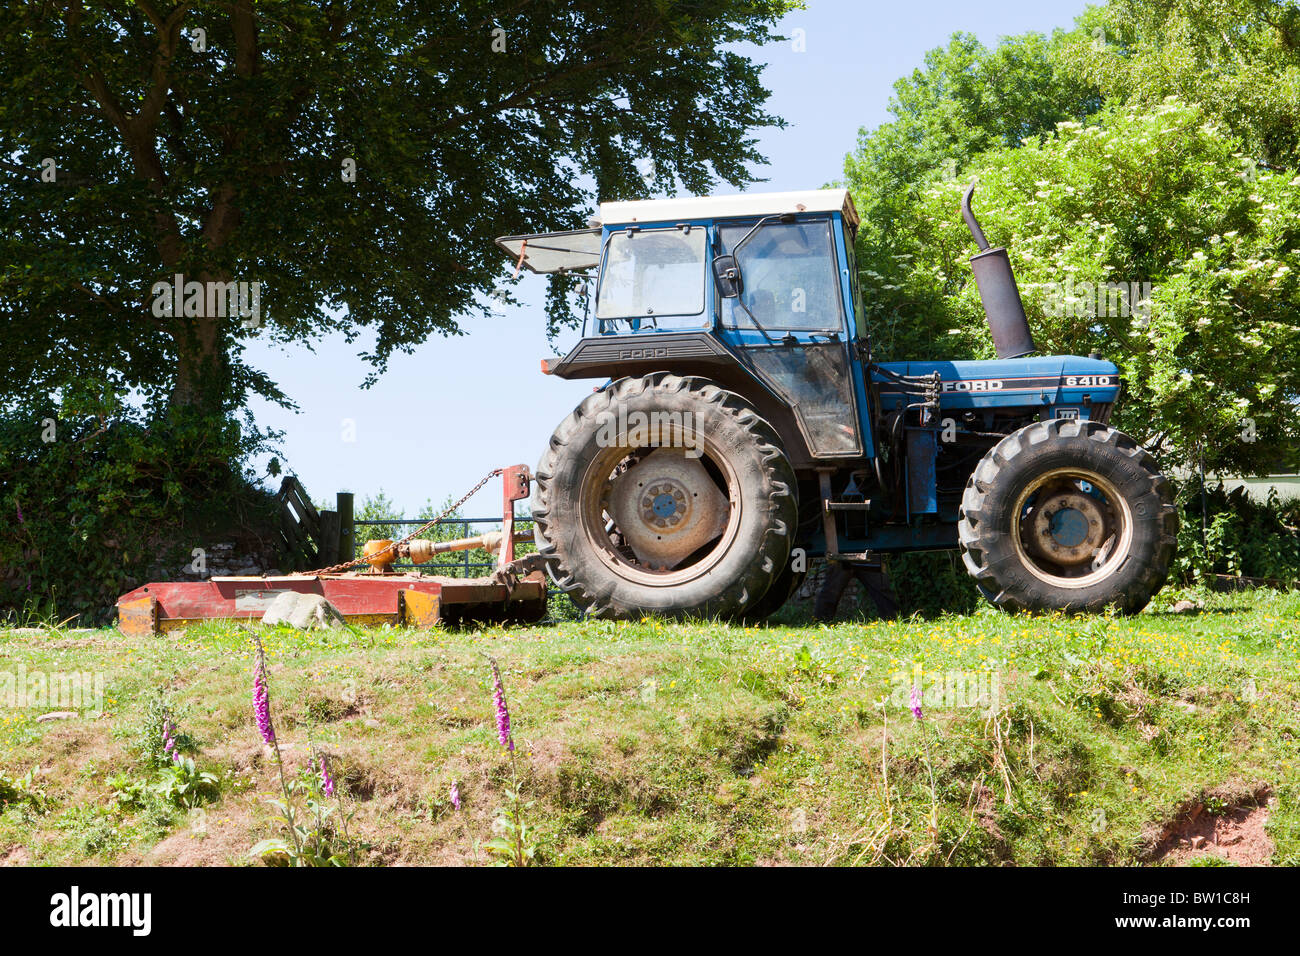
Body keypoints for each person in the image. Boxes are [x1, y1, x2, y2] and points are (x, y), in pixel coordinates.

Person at [813, 556, 899, 621]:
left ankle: (892, 620)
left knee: (883, 591)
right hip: (843, 550)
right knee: (831, 592)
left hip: (866, 548)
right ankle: (820, 623)